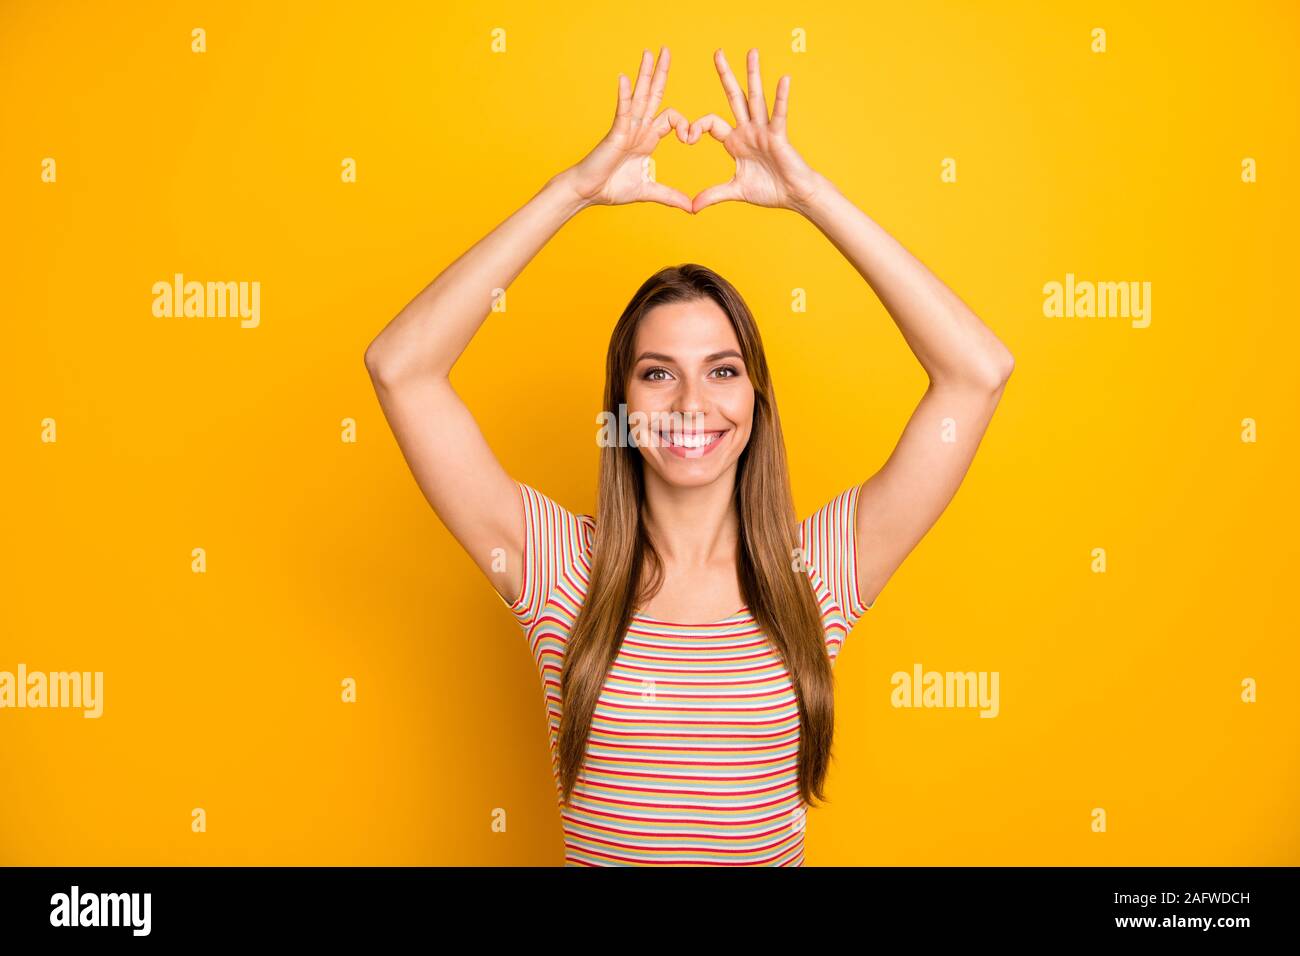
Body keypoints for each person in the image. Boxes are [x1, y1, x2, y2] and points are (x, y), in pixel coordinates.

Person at [364, 46, 1014, 865]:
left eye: (723, 370)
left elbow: (977, 373)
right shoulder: (558, 569)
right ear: (624, 408)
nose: (691, 406)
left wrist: (813, 197)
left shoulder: (817, 576)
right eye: (657, 373)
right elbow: (401, 368)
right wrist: (572, 191)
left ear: (754, 403)